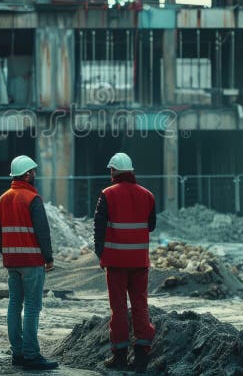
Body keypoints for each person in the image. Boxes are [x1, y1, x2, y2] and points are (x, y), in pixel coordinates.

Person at [0, 155, 59, 371]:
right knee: (31, 307)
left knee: (14, 305)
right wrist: (48, 257)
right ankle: (31, 355)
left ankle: (18, 353)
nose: (35, 175)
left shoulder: (1, 200)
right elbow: (42, 231)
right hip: (32, 261)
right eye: (34, 171)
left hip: (13, 263)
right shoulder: (32, 198)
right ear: (28, 174)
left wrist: (8, 252)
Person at [93, 152, 156, 372]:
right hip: (140, 262)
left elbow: (98, 227)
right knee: (140, 306)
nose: (109, 173)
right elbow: (151, 225)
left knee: (118, 309)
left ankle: (119, 357)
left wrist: (101, 253)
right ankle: (141, 357)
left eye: (111, 170)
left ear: (114, 172)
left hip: (116, 263)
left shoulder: (107, 194)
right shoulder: (147, 195)